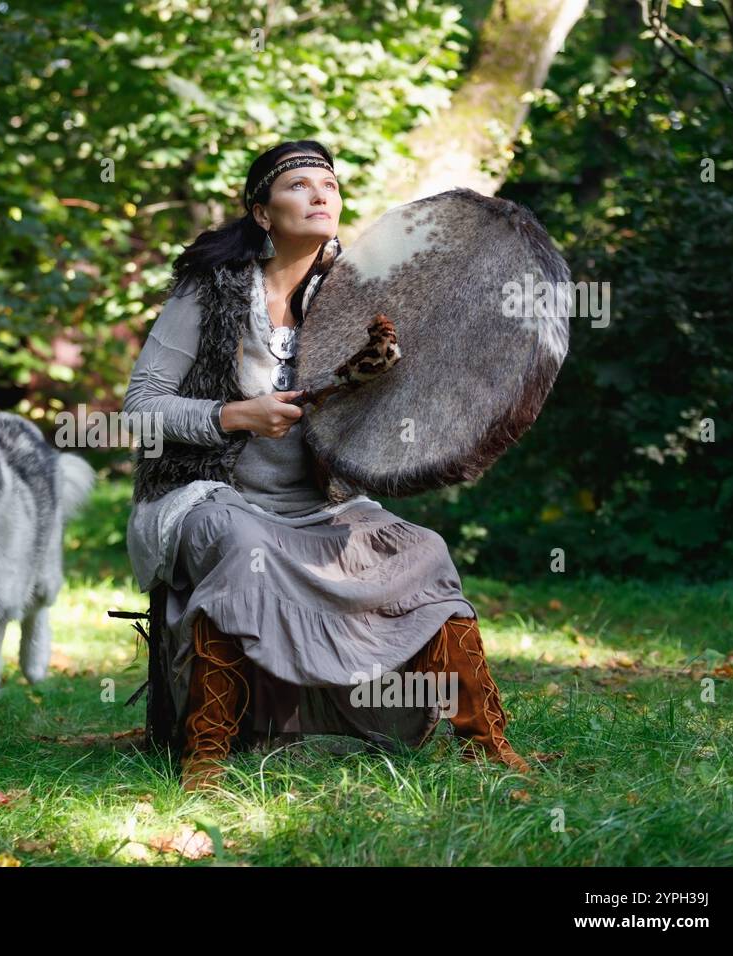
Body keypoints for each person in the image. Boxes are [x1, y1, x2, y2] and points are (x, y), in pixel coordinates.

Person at [123, 140, 531, 791]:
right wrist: (234, 416)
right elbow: (138, 409)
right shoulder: (211, 293)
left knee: (424, 551)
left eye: (330, 187)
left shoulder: (357, 297)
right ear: (261, 212)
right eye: (299, 186)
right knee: (242, 543)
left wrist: (384, 378)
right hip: (207, 495)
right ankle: (206, 755)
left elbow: (391, 422)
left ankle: (485, 740)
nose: (320, 196)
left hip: (321, 504)